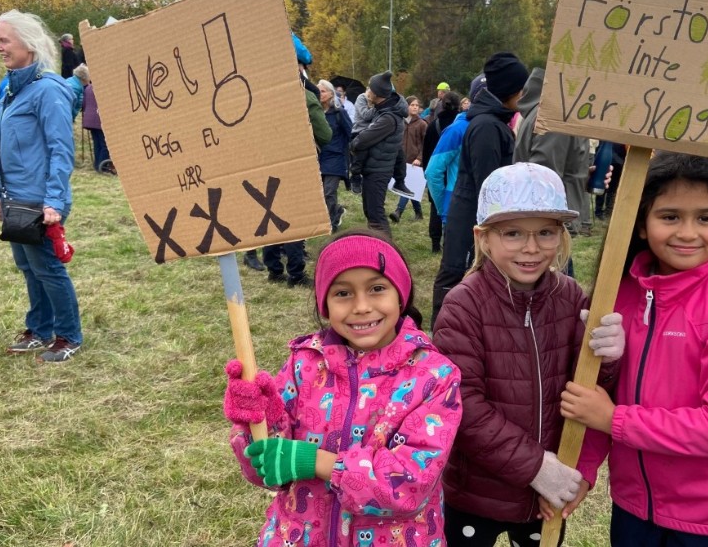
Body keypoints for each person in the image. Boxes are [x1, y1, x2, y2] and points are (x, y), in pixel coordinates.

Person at [558, 152, 708, 546]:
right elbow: (596, 393)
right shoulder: (620, 292)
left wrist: (616, 421)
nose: (688, 233)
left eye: (706, 218)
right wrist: (584, 471)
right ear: (641, 223)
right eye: (670, 216)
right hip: (633, 506)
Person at [223, 230, 463, 547]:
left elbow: (408, 486)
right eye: (343, 293)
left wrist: (316, 462)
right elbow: (266, 471)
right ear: (325, 304)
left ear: (400, 295)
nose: (362, 306)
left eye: (377, 289)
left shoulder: (434, 378)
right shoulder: (303, 365)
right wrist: (255, 422)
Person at [432, 162, 625, 547]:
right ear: (483, 238)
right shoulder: (463, 306)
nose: (532, 248)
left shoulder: (571, 297)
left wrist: (608, 359)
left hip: (545, 498)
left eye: (546, 232)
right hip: (475, 493)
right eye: (513, 233)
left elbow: (587, 387)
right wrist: (535, 467)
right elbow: (463, 404)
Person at [0, 10, 82, 362]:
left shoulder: (49, 91)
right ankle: (40, 329)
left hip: (40, 201)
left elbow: (61, 150)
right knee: (29, 267)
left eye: (4, 40)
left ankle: (68, 335)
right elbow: (1, 144)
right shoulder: (10, 89)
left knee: (47, 268)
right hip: (15, 199)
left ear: (28, 44)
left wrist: (54, 202)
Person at [431, 52, 528, 328]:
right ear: (514, 91)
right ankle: (443, 335)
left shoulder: (494, 122)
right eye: (522, 89)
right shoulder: (487, 126)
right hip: (471, 219)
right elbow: (489, 185)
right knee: (456, 276)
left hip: (476, 218)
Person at [261, 74, 332, 286]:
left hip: (267, 162)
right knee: (295, 220)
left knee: (271, 214)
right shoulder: (306, 96)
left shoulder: (266, 93)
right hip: (296, 163)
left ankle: (273, 269)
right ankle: (296, 273)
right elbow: (325, 134)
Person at [513, 67, 592, 237]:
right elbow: (544, 175)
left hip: (548, 221)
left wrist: (582, 174)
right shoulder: (554, 114)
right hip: (551, 223)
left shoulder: (548, 111)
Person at [349, 70, 413, 236]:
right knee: (371, 212)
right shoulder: (384, 111)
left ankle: (387, 250)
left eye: (369, 89)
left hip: (378, 171)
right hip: (374, 168)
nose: (367, 92)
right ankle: (378, 247)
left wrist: (354, 142)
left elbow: (362, 141)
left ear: (376, 93)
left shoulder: (388, 118)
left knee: (376, 215)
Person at [423, 91, 466, 253]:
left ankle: (435, 244)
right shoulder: (463, 125)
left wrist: (426, 175)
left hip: (437, 172)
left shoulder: (434, 125)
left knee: (437, 207)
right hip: (454, 176)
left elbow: (427, 151)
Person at [317, 78, 353, 233]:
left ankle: (332, 222)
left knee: (328, 192)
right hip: (319, 158)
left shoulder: (339, 113)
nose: (319, 94)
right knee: (320, 194)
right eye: (317, 91)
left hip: (336, 158)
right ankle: (337, 210)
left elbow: (350, 133)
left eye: (323, 91)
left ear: (332, 94)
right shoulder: (315, 113)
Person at [390, 95, 427, 223]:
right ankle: (418, 213)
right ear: (407, 106)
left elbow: (426, 144)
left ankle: (398, 211)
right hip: (402, 161)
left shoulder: (422, 124)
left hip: (415, 162)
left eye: (417, 105)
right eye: (412, 105)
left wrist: (419, 158)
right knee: (411, 188)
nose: (415, 107)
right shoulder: (400, 121)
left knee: (408, 186)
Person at [81, 81, 111, 172]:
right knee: (105, 145)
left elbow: (83, 104)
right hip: (100, 119)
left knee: (97, 143)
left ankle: (97, 165)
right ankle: (102, 167)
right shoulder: (104, 87)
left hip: (89, 119)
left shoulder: (88, 87)